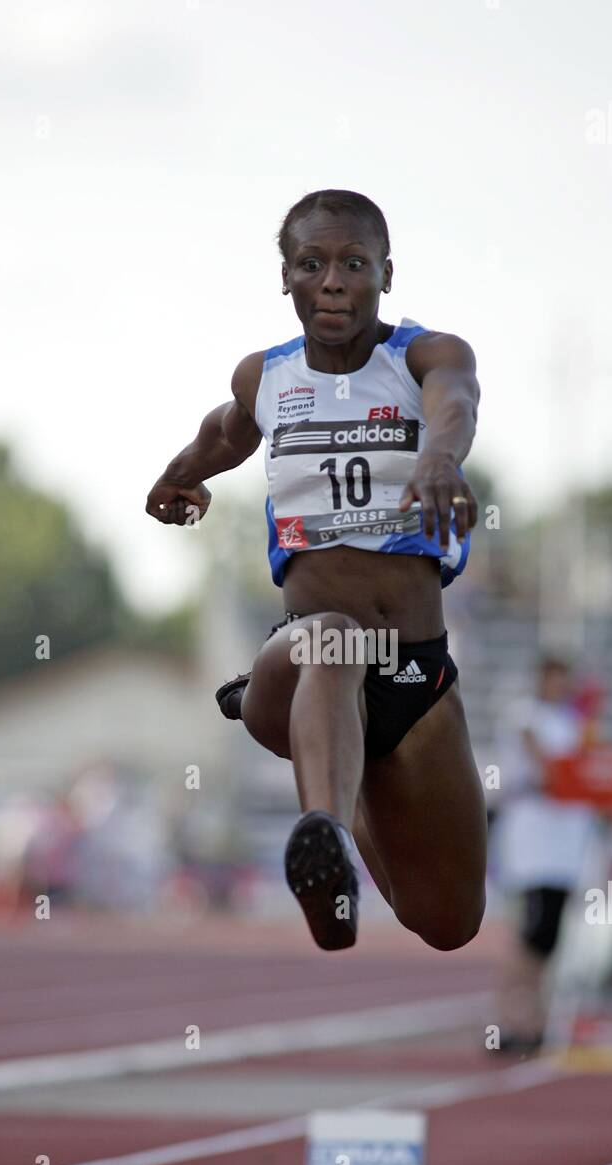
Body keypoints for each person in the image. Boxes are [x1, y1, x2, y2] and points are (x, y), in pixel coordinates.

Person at [146, 189, 487, 952]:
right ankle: (323, 826)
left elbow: (454, 404)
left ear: (385, 275)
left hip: (416, 680)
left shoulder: (427, 358)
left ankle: (345, 803)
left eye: (353, 264)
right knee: (333, 639)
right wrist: (176, 479)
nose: (332, 281)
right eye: (312, 263)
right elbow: (222, 437)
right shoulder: (265, 379)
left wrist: (436, 458)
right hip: (302, 660)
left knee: (448, 922)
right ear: (287, 278)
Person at [490, 655, 595, 1047]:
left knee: (550, 938)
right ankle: (509, 1018)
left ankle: (535, 1022)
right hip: (534, 840)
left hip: (566, 843)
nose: (560, 687)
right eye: (554, 679)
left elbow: (582, 768)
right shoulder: (525, 715)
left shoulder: (572, 723)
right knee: (530, 934)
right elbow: (549, 766)